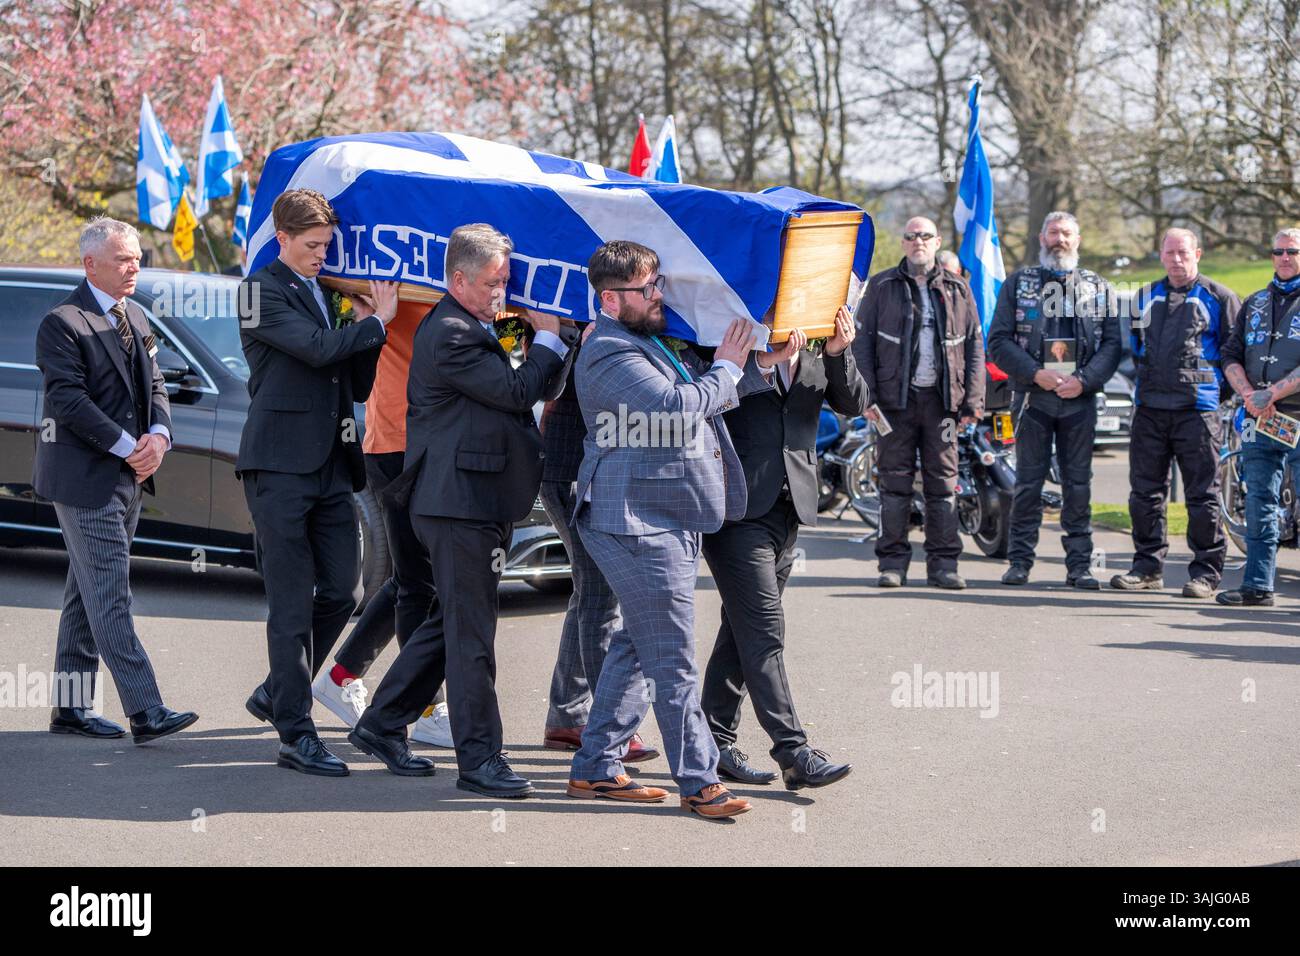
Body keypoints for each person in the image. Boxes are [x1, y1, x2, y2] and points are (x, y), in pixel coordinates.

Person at [349, 223, 571, 797]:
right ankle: (480, 760)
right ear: (457, 279)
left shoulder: (474, 325)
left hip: (474, 499)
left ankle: (380, 723)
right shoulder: (450, 331)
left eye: (507, 280)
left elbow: (518, 390)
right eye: (495, 282)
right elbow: (519, 392)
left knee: (451, 623)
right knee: (472, 636)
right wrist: (547, 339)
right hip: (456, 504)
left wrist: (541, 342)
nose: (504, 290)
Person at [565, 239, 757, 819]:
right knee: (672, 657)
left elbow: (705, 397)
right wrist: (726, 367)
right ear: (609, 297)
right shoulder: (607, 352)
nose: (658, 297)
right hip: (635, 520)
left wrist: (756, 368)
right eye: (647, 289)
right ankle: (700, 784)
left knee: (636, 646)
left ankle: (596, 767)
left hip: (663, 513)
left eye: (658, 286)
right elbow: (677, 408)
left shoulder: (642, 341)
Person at [237, 189, 397, 776]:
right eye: (311, 245)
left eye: (327, 245)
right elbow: (311, 349)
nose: (320, 255)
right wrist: (374, 322)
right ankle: (295, 732)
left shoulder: (328, 295)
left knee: (342, 592)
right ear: (282, 238)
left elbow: (352, 382)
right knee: (290, 602)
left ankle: (279, 690)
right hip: (278, 466)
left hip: (332, 465)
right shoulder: (258, 291)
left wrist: (366, 329)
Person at [34, 216, 198, 744]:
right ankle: (146, 710)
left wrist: (159, 437)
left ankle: (70, 709)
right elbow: (69, 402)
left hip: (129, 478)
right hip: (85, 481)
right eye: (123, 260)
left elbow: (158, 386)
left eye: (137, 258)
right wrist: (131, 448)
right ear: (90, 264)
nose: (134, 267)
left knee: (86, 594)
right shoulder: (63, 322)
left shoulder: (138, 318)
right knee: (110, 596)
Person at [701, 305, 866, 788]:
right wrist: (766, 361)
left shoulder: (816, 349)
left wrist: (838, 352)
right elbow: (708, 402)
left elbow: (854, 402)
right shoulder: (731, 344)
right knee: (764, 631)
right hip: (737, 512)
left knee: (741, 630)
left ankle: (713, 741)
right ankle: (793, 752)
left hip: (790, 507)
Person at [310, 292, 451, 747]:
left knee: (412, 577)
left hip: (431, 439)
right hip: (399, 440)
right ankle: (426, 707)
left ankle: (342, 675)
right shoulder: (400, 268)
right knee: (420, 584)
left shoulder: (465, 275)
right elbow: (346, 290)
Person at [538, 329, 659, 763]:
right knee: (600, 596)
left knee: (590, 594)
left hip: (583, 470)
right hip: (571, 470)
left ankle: (568, 717)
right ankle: (606, 723)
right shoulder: (581, 323)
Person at [988, 211, 1121, 587]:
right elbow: (997, 341)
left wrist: (1084, 380)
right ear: (1041, 238)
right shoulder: (1018, 283)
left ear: (1077, 240)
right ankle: (1019, 562)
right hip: (1032, 399)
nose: (1059, 239)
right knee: (1028, 484)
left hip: (1079, 400)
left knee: (1078, 485)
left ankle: (1079, 567)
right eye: (1053, 233)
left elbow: (1112, 345)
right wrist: (1035, 373)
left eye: (1066, 233)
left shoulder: (1099, 287)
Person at [854, 216, 986, 589]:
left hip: (943, 403)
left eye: (925, 236)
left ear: (938, 241)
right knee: (893, 485)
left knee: (943, 485)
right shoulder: (881, 286)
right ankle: (892, 564)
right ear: (903, 243)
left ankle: (944, 566)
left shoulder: (959, 288)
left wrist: (972, 402)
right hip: (893, 404)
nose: (918, 242)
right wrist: (867, 398)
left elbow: (976, 347)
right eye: (911, 236)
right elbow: (861, 346)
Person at [1111, 228, 1240, 598]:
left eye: (1183, 252)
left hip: (1198, 413)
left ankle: (1206, 574)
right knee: (1145, 493)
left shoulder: (1220, 297)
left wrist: (1214, 395)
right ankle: (1147, 568)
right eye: (1170, 253)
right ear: (1161, 255)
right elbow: (1137, 349)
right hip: (1150, 410)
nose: (1177, 259)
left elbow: (1233, 355)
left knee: (1203, 495)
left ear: (1197, 253)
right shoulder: (1144, 296)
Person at [1217, 228, 1300, 607]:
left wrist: (1275, 392)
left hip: (1296, 416)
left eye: (1293, 251)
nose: (1285, 257)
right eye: (1278, 251)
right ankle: (1257, 586)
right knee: (1259, 501)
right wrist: (1250, 394)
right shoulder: (1255, 302)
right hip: (1259, 418)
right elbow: (1230, 353)